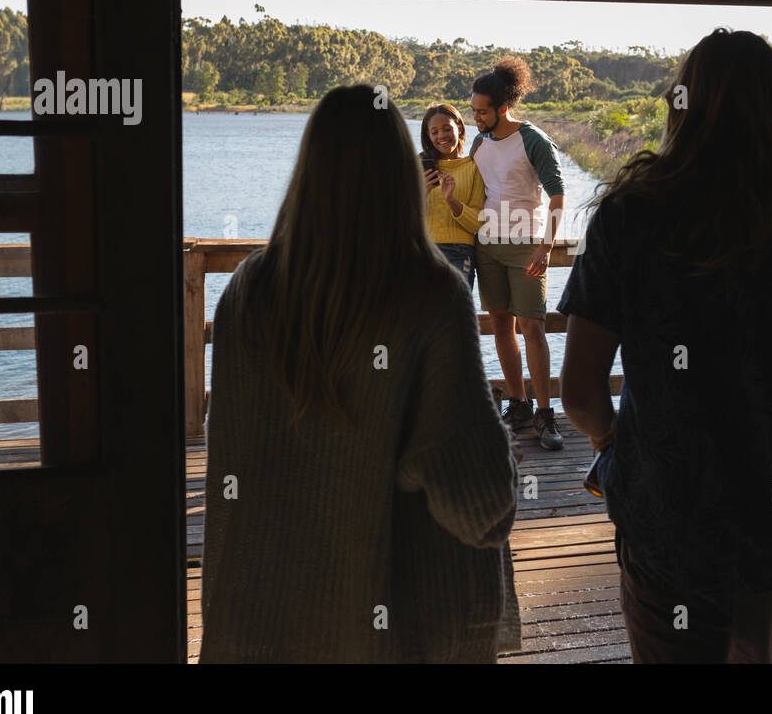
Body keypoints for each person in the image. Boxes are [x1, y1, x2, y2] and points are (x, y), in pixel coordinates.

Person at [557, 29, 772, 664]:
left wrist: (615, 445)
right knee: (750, 648)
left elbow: (579, 392)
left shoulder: (629, 220)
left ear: (681, 108)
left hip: (665, 516)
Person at [200, 85, 521, 662]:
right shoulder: (427, 295)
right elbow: (479, 503)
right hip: (400, 630)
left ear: (309, 170)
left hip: (267, 621)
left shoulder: (248, 292)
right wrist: (498, 437)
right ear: (401, 170)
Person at [470, 57, 567, 451]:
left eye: (482, 112)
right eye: (473, 111)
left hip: (527, 243)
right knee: (500, 324)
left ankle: (546, 414)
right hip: (487, 244)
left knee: (533, 328)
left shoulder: (533, 139)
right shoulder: (479, 142)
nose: (475, 118)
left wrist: (546, 246)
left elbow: (558, 194)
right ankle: (519, 403)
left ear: (502, 108)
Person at [420, 103, 486, 289]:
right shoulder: (418, 166)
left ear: (459, 127)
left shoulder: (473, 167)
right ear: (428, 136)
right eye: (434, 132)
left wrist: (451, 200)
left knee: (456, 316)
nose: (441, 136)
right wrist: (422, 193)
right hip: (424, 252)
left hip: (460, 253)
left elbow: (477, 222)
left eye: (447, 129)